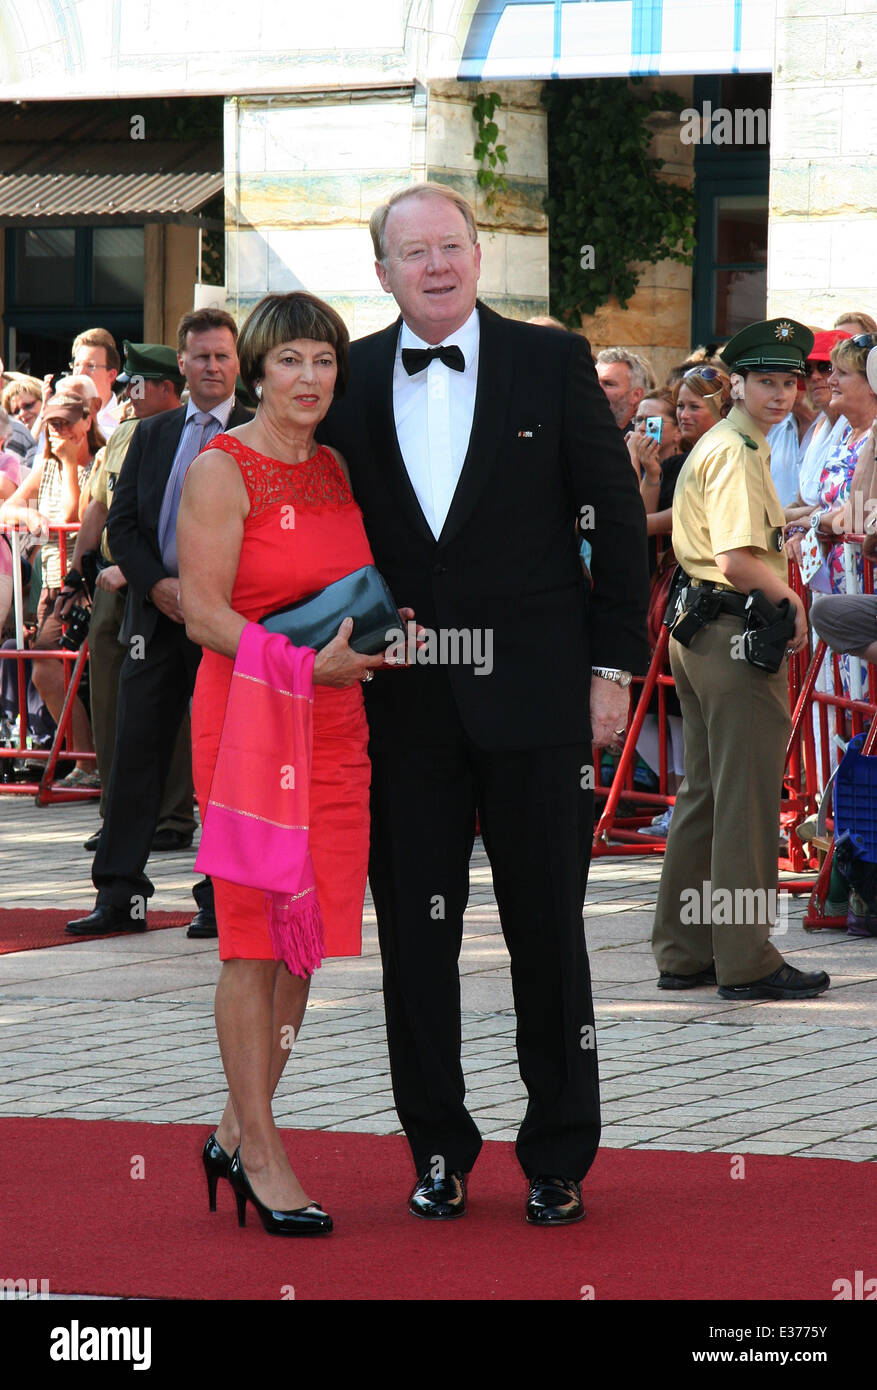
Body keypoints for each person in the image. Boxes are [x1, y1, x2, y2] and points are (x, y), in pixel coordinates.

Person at [321, 181, 649, 1225]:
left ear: (478, 252)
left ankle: (558, 1152)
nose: (436, 265)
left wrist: (609, 673)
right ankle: (436, 1148)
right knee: (417, 940)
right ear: (382, 272)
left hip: (538, 698)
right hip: (400, 707)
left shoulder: (549, 360)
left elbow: (615, 524)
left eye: (451, 244)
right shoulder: (353, 376)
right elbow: (330, 539)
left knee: (546, 929)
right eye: (412, 252)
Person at [177, 290, 400, 1236]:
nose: (308, 379)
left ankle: (235, 1126)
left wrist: (381, 635)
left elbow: (342, 586)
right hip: (250, 729)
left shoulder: (339, 466)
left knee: (303, 940)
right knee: (251, 937)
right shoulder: (222, 472)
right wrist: (310, 663)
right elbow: (203, 611)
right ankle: (263, 1151)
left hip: (336, 726)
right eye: (289, 362)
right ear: (256, 371)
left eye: (322, 361)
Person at [652, 318, 830, 1001]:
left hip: (699, 628)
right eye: (765, 381)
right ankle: (745, 958)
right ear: (737, 385)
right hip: (730, 629)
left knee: (702, 794)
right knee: (746, 802)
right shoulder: (736, 448)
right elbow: (733, 558)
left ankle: (685, 949)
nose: (780, 393)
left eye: (789, 381)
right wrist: (793, 598)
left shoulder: (728, 441)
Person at [66, 309, 251, 939]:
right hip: (159, 615)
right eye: (201, 357)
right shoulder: (151, 433)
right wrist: (163, 587)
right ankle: (119, 895)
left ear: (237, 361)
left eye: (222, 356)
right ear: (182, 363)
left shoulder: (259, 433)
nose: (212, 367)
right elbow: (124, 527)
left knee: (225, 759)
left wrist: (205, 597)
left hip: (228, 622)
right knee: (135, 750)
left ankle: (219, 896)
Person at [54, 342, 196, 853]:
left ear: (165, 388)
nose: (127, 395)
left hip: (161, 584)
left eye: (136, 384)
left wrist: (138, 573)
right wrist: (78, 573)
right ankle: (118, 816)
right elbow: (99, 503)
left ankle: (173, 817)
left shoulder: (188, 433)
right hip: (112, 584)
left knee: (172, 707)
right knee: (116, 701)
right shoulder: (125, 435)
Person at [0, 391, 101, 785]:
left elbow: (76, 514)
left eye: (66, 423)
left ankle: (89, 762)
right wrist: (25, 511)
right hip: (50, 584)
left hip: (81, 584)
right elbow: (6, 506)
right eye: (52, 424)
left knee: (53, 667)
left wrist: (70, 464)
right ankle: (85, 761)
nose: (59, 431)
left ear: (86, 423)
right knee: (49, 670)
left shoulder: (95, 464)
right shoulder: (43, 467)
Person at [596, 347, 656, 434]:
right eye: (594, 382)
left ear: (636, 395)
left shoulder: (644, 438)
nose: (597, 388)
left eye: (608, 384)